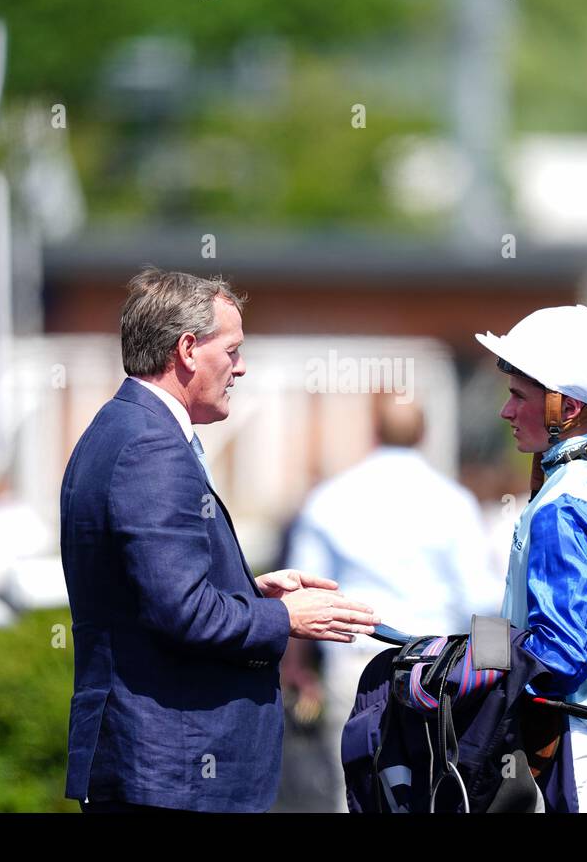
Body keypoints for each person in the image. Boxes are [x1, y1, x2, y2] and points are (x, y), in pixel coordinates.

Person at [60, 268, 379, 813]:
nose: (242, 367)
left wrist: (246, 589)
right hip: (172, 771)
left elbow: (150, 589)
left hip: (159, 766)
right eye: (232, 350)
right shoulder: (150, 447)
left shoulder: (121, 428)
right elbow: (182, 611)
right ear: (187, 349)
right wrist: (289, 618)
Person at [476, 304, 587, 813]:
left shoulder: (565, 501)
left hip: (553, 757)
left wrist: (454, 657)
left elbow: (558, 653)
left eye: (518, 397)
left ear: (566, 407)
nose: (505, 412)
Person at [284, 394, 499, 810]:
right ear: (423, 434)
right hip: (437, 668)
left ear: (374, 431)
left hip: (357, 663)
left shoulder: (330, 497)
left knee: (355, 794)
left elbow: (301, 591)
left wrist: (294, 666)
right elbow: (481, 597)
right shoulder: (455, 502)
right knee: (435, 790)